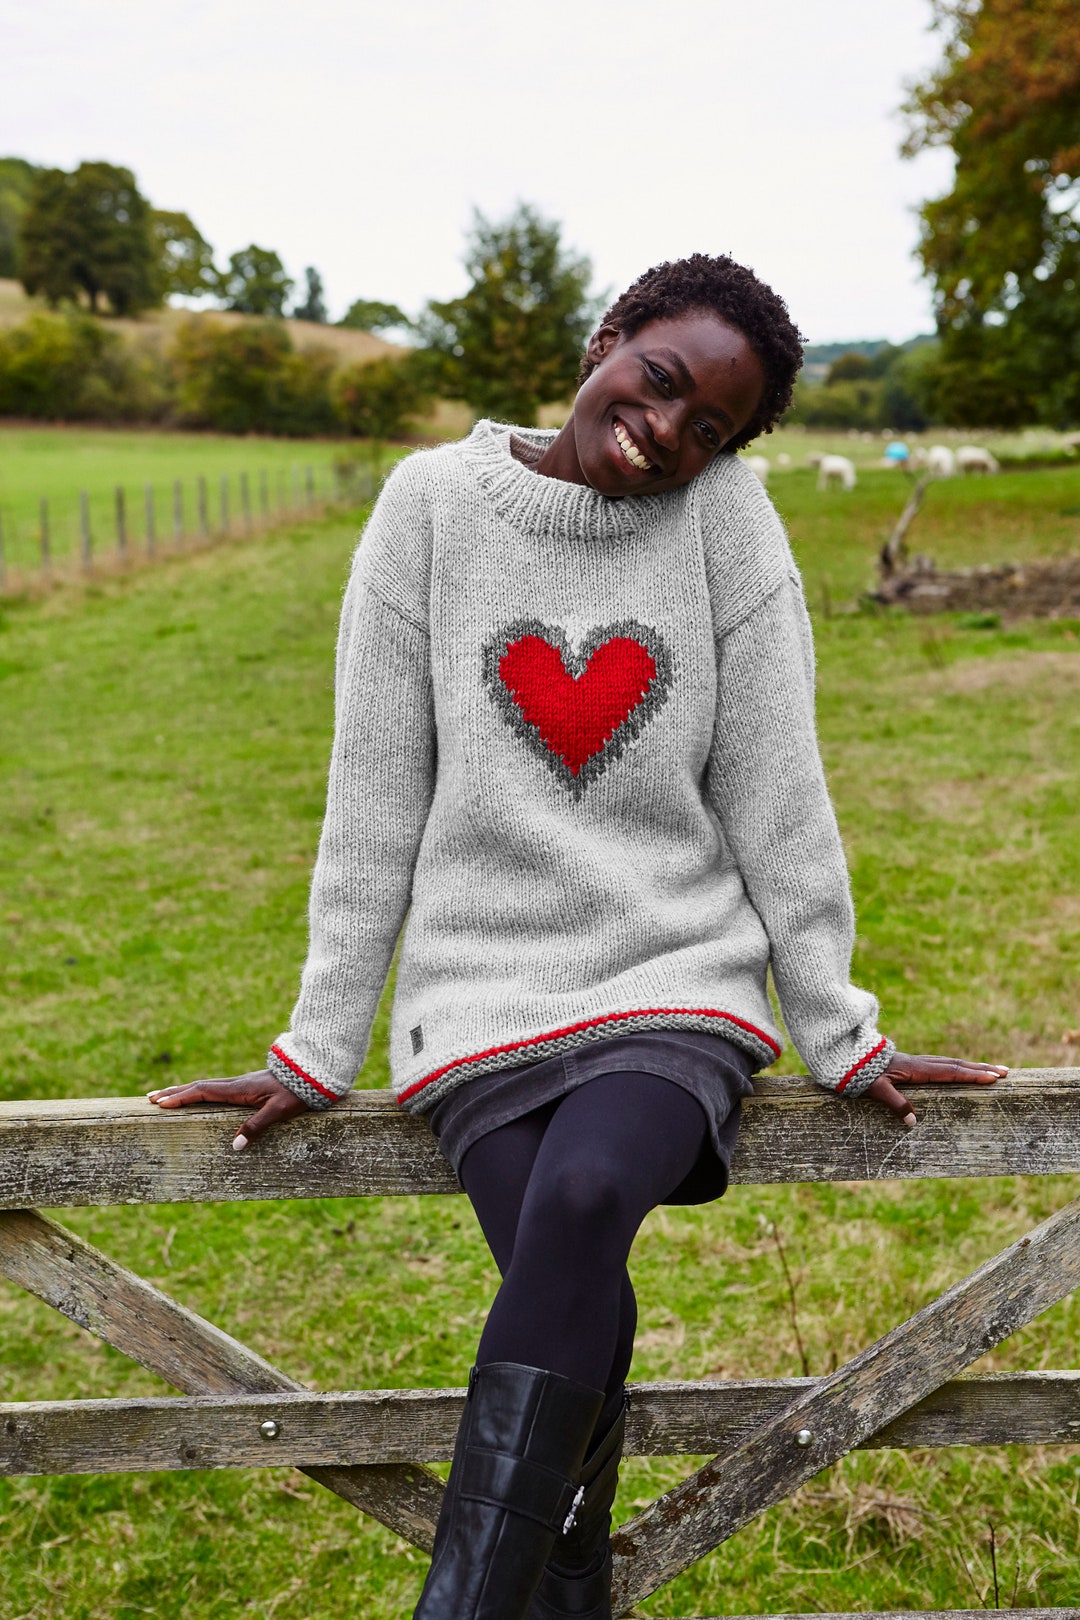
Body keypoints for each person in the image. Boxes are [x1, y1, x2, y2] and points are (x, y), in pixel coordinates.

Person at [149, 253, 1006, 1620]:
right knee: (571, 1295)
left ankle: (466, 1603)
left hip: (675, 978)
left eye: (708, 426)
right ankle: (567, 1588)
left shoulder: (728, 522)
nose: (669, 431)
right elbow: (373, 801)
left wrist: (840, 1026)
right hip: (476, 996)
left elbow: (779, 792)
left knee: (589, 1197)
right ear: (613, 335)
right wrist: (315, 1047)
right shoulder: (427, 507)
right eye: (662, 381)